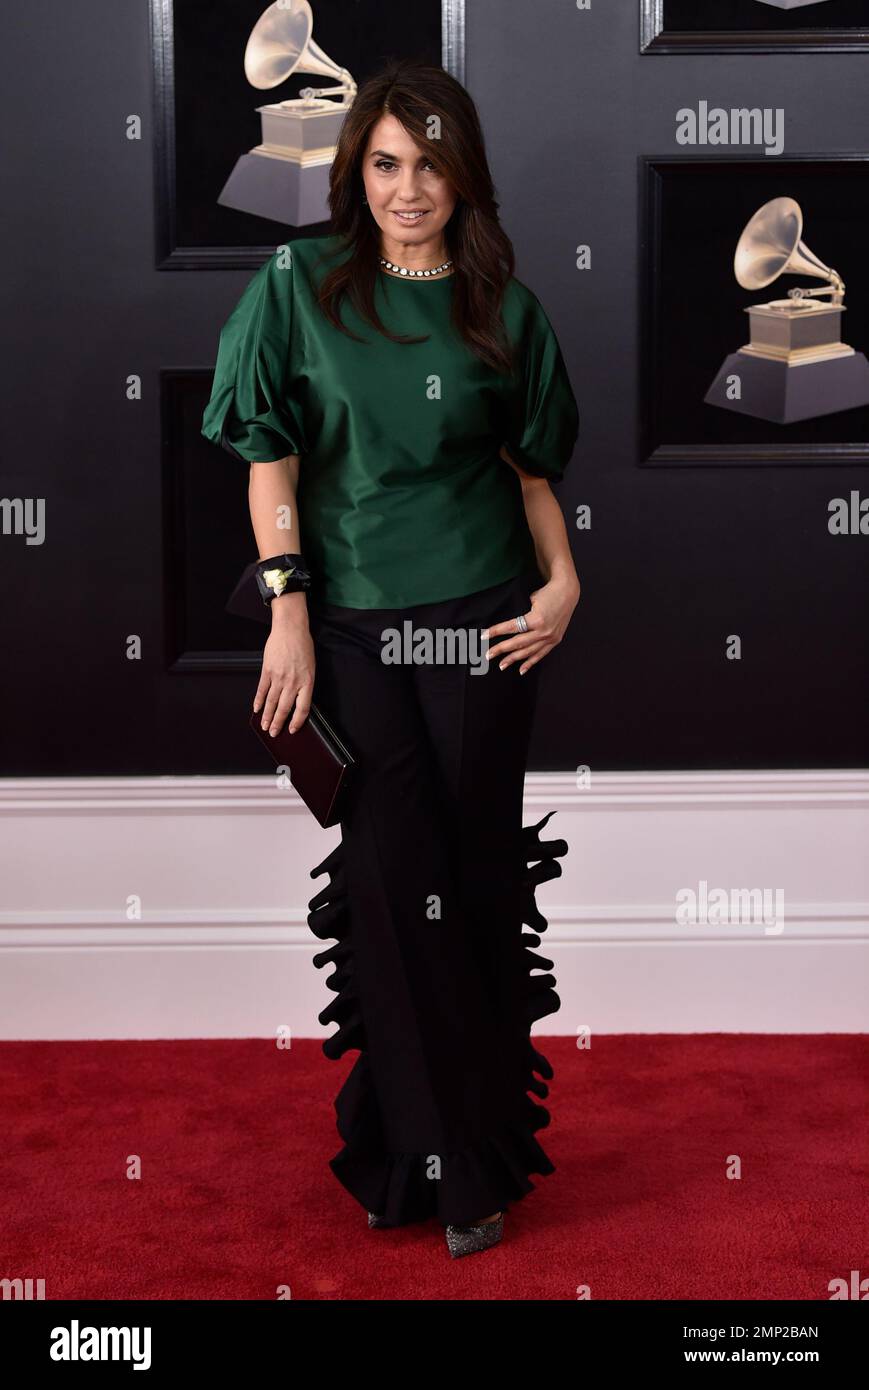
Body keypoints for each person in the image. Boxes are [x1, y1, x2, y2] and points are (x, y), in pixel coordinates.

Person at [201, 59, 580, 1260]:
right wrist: (288, 611)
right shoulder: (296, 285)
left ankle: (478, 1156)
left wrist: (564, 583)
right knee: (386, 877)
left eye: (428, 164)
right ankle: (415, 1155)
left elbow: (531, 474)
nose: (407, 188)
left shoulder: (505, 309)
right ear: (352, 171)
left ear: (461, 174)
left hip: (485, 622)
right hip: (353, 620)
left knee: (469, 881)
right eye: (384, 164)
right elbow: (270, 461)